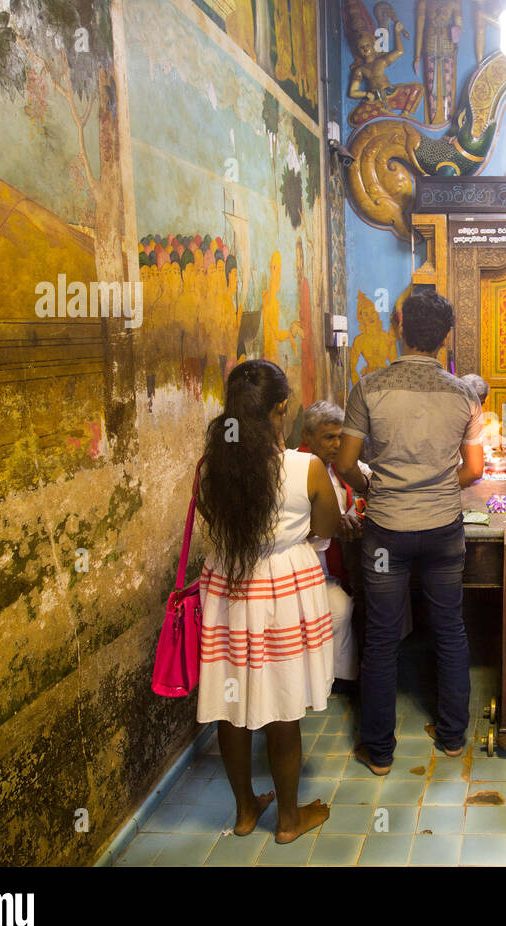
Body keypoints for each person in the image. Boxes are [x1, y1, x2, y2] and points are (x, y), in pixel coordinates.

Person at [336, 290, 484, 775]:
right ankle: (453, 738)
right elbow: (475, 469)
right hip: (443, 529)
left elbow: (343, 463)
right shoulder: (464, 393)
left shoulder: (369, 387)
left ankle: (378, 753)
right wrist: (437, 484)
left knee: (380, 637)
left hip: (386, 532)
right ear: (445, 337)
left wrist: (377, 487)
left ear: (399, 327)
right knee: (450, 630)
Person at [196, 359, 342, 843]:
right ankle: (287, 820)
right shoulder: (306, 468)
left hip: (229, 589)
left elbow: (213, 521)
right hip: (284, 591)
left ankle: (244, 812)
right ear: (281, 409)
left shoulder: (212, 469)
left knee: (229, 702)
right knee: (283, 704)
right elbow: (327, 530)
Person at [300, 401, 371, 686]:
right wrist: (333, 524)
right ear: (308, 437)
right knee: (341, 609)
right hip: (311, 568)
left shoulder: (342, 466)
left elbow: (368, 477)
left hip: (345, 562)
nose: (337, 443)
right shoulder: (298, 467)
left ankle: (341, 677)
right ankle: (323, 681)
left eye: (342, 436)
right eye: (329, 437)